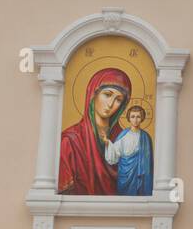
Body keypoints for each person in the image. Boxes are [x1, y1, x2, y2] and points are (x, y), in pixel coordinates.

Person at [58, 67, 131, 195]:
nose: (110, 104)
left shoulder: (126, 138)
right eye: (107, 95)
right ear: (93, 94)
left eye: (118, 99)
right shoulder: (70, 140)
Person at [105, 104, 153, 196]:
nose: (135, 120)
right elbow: (115, 154)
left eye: (138, 117)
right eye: (133, 116)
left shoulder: (145, 137)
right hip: (124, 173)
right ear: (129, 118)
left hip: (139, 175)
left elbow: (148, 162)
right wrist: (108, 143)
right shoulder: (124, 135)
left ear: (142, 118)